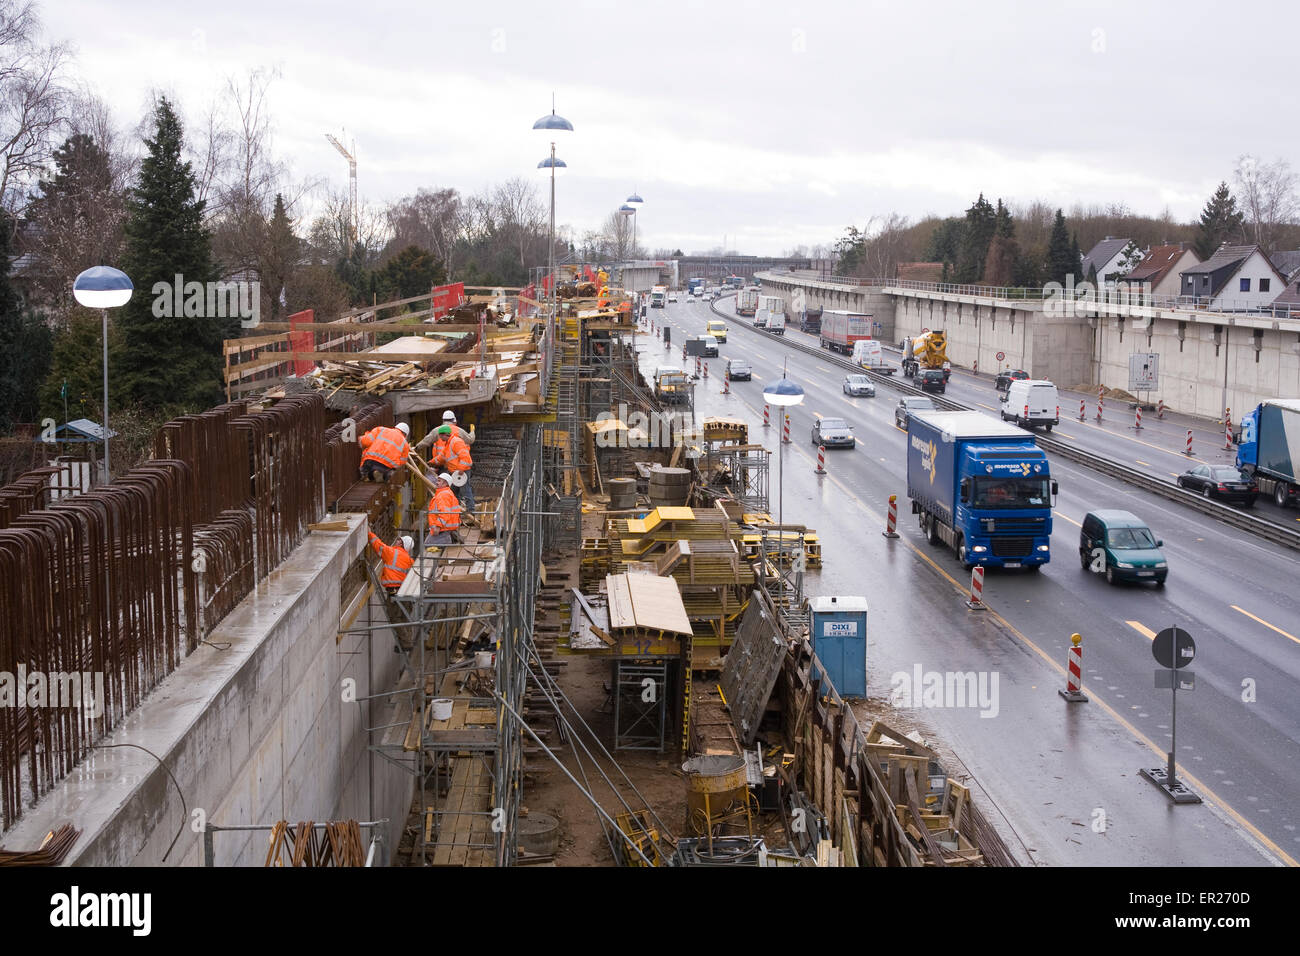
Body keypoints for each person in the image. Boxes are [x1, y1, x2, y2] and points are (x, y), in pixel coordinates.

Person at [427, 423, 474, 513]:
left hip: (461, 472)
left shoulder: (456, 442)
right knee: (454, 493)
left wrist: (461, 469)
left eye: (440, 436)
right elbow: (441, 457)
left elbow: (465, 457)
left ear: (444, 434)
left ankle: (471, 511)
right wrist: (432, 462)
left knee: (465, 491)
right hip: (455, 473)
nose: (439, 438)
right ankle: (456, 511)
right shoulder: (448, 444)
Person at [427, 473, 462, 545]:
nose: (436, 482)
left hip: (442, 531)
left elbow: (445, 513)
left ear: (445, 483)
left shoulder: (443, 495)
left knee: (427, 547)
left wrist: (438, 526)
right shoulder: (446, 493)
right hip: (445, 530)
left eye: (439, 481)